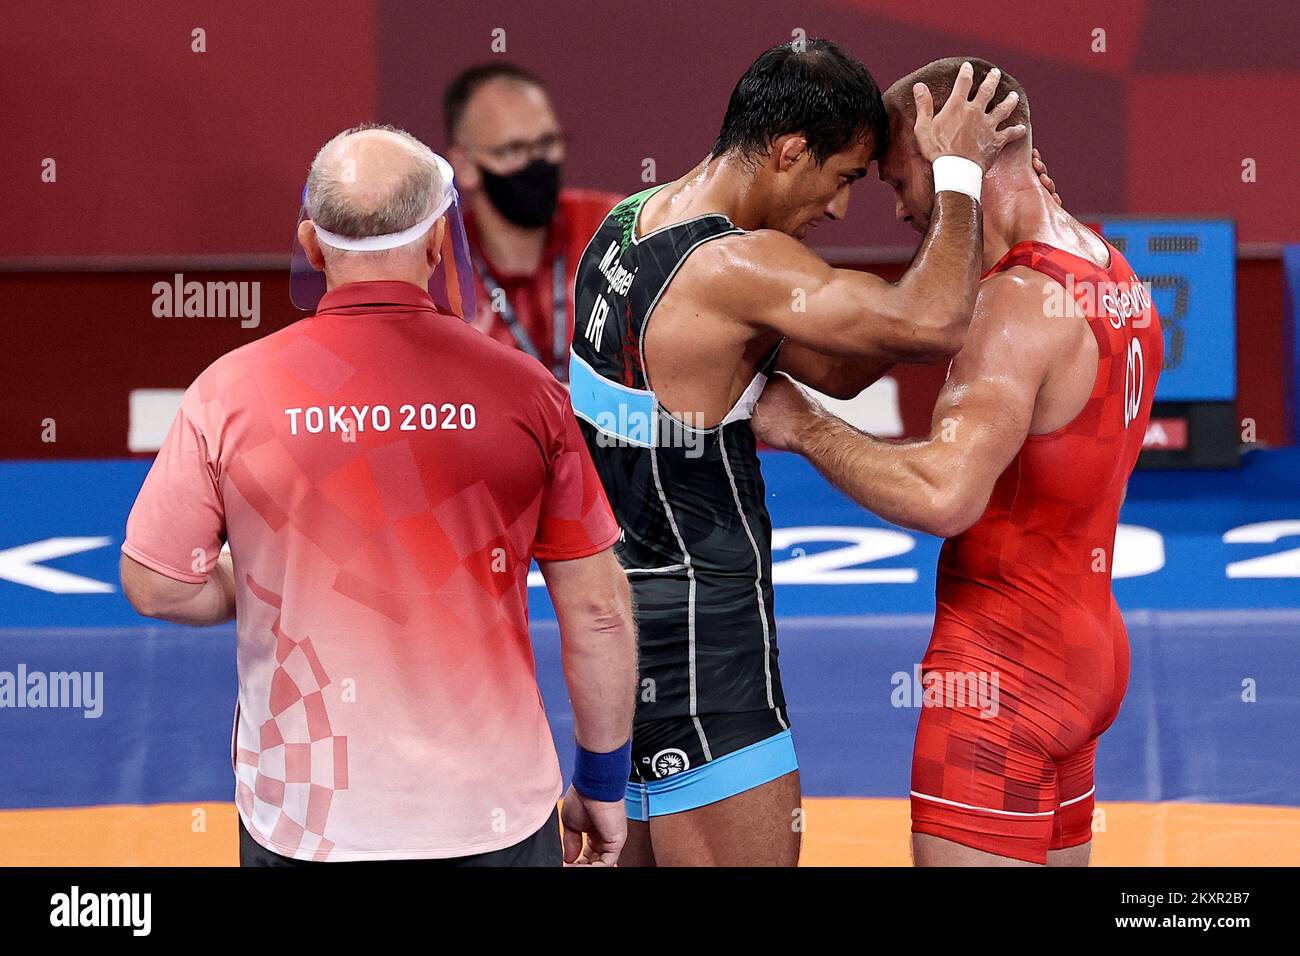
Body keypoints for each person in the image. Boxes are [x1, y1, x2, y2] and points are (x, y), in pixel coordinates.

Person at [119, 124, 636, 866]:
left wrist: (265, 578)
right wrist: (602, 786)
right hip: (492, 817)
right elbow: (600, 613)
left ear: (312, 243)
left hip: (305, 820)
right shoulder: (527, 393)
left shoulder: (228, 393)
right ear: (436, 246)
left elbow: (158, 584)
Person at [568, 39, 1027, 866]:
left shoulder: (623, 226)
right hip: (711, 672)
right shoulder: (737, 267)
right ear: (788, 152)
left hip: (620, 663)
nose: (845, 208)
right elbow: (930, 326)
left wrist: (931, 279)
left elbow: (842, 369)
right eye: (847, 177)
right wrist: (957, 178)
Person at [752, 58, 1163, 867]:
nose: (900, 204)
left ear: (954, 157)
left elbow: (945, 495)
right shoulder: (1112, 272)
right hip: (1085, 657)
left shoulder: (1014, 305)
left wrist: (803, 427)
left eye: (901, 176)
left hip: (1000, 682)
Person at [444, 63, 621, 379]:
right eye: (514, 149)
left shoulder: (614, 228)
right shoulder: (439, 270)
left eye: (547, 143)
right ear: (465, 165)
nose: (537, 163)